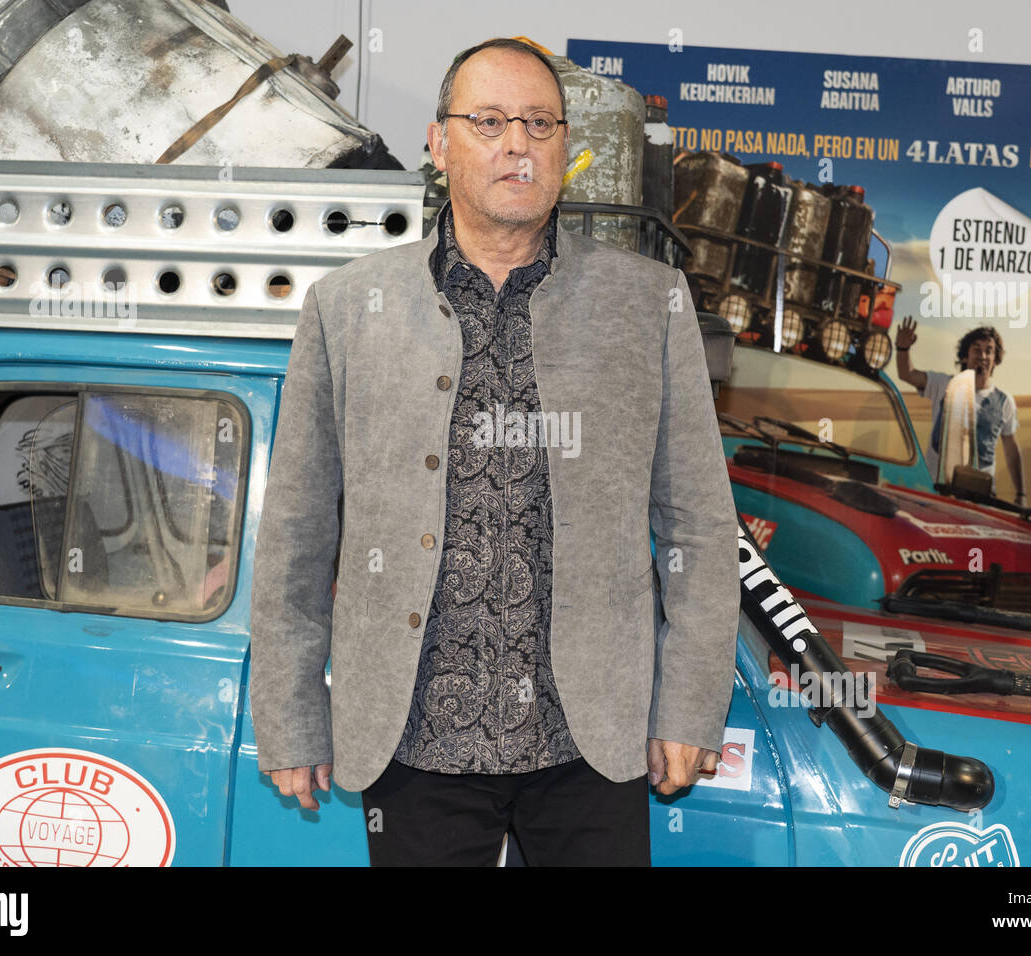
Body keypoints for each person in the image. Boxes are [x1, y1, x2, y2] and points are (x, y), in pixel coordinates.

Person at [248, 37, 740, 866]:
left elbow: (696, 519)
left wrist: (689, 708)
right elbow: (297, 531)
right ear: (439, 145)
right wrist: (292, 713)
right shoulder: (346, 310)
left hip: (589, 742)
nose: (519, 142)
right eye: (489, 121)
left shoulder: (645, 303)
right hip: (415, 745)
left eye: (541, 123)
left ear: (566, 151)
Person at [895, 317, 1027, 504]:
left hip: (981, 497)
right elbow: (906, 374)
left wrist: (1021, 494)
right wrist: (903, 349)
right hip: (937, 490)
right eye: (976, 350)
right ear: (965, 356)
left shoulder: (1005, 401)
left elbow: (1011, 448)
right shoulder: (943, 385)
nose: (982, 356)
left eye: (989, 351)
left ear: (995, 360)